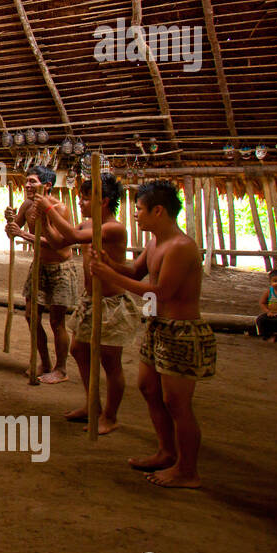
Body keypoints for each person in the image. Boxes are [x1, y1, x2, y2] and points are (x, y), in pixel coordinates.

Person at [92, 180, 215, 489]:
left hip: (181, 331)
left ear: (158, 211)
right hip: (157, 328)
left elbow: (159, 293)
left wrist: (109, 275)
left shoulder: (181, 247)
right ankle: (166, 450)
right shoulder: (154, 243)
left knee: (177, 402)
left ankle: (188, 471)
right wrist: (109, 263)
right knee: (148, 388)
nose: (135, 215)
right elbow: (134, 271)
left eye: (140, 209)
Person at [37, 173, 141, 434]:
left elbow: (71, 233)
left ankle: (111, 415)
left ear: (103, 201)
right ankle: (91, 404)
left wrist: (48, 207)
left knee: (109, 360)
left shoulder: (113, 228)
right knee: (79, 350)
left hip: (111, 302)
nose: (80, 202)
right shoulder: (89, 224)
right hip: (90, 300)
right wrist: (43, 221)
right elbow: (62, 240)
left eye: (85, 198)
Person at [5, 166, 78, 385]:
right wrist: (9, 221)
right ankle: (44, 361)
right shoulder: (27, 205)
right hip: (39, 266)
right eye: (26, 181)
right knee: (31, 315)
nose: (27, 185)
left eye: (32, 182)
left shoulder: (59, 209)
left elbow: (58, 243)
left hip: (60, 268)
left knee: (57, 321)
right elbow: (12, 231)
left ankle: (61, 369)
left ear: (46, 186)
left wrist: (23, 234)